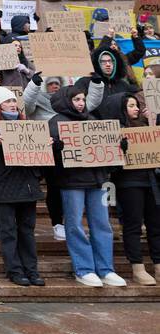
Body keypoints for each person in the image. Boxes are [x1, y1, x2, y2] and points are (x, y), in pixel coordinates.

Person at [49, 84, 125, 288]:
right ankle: (84, 268)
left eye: (83, 99)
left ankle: (106, 268)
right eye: (76, 100)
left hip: (98, 180)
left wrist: (118, 147)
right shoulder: (56, 123)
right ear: (67, 101)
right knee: (74, 225)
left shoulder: (93, 120)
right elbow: (49, 158)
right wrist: (56, 148)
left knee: (103, 225)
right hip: (71, 181)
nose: (81, 103)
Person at [0, 86, 45, 287]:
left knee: (27, 231)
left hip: (27, 186)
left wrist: (49, 144)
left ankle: (32, 270)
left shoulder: (27, 125)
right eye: (8, 102)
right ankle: (14, 270)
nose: (13, 105)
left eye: (14, 101)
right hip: (4, 186)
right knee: (8, 231)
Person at [102, 90, 159, 285]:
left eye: (137, 105)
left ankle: (158, 265)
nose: (136, 109)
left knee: (155, 225)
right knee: (133, 225)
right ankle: (138, 267)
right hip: (129, 183)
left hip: (151, 181)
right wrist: (121, 149)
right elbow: (110, 165)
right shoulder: (116, 132)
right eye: (131, 106)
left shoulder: (148, 127)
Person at [23, 72, 68, 240]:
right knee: (47, 186)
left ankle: (65, 223)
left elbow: (89, 104)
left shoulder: (68, 102)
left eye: (58, 83)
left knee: (61, 188)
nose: (55, 86)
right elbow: (26, 106)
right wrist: (34, 84)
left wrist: (97, 84)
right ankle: (56, 223)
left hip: (64, 151)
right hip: (43, 149)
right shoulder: (38, 99)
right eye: (51, 84)